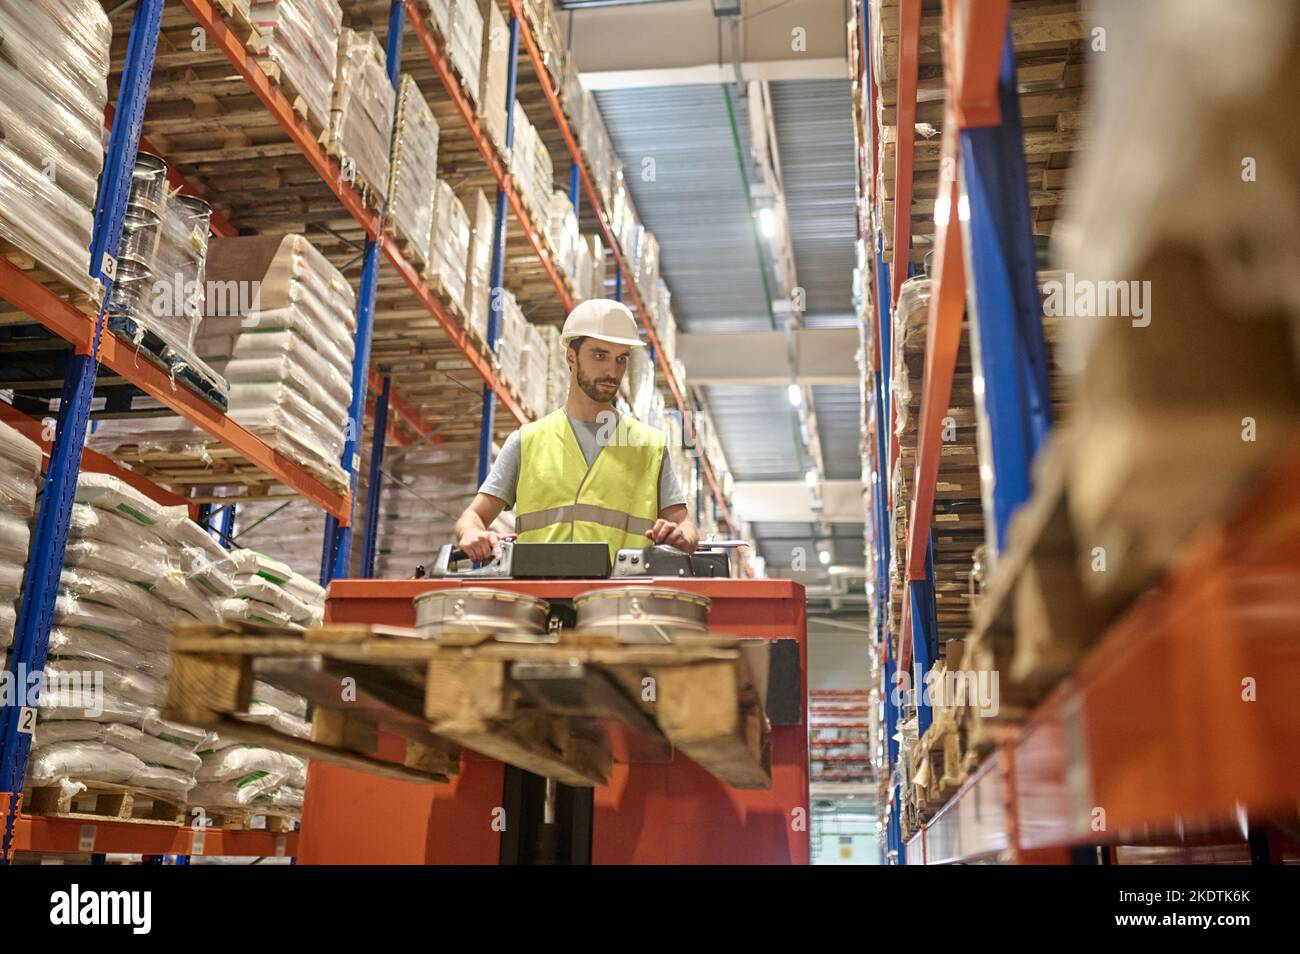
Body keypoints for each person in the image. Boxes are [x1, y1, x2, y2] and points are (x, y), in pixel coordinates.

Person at [455, 299, 699, 564]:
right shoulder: (527, 441)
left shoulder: (649, 446)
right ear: (571, 357)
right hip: (542, 598)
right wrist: (471, 533)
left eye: (621, 359)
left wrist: (681, 535)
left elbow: (686, 526)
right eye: (600, 355)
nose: (612, 370)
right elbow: (473, 516)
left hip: (620, 599)